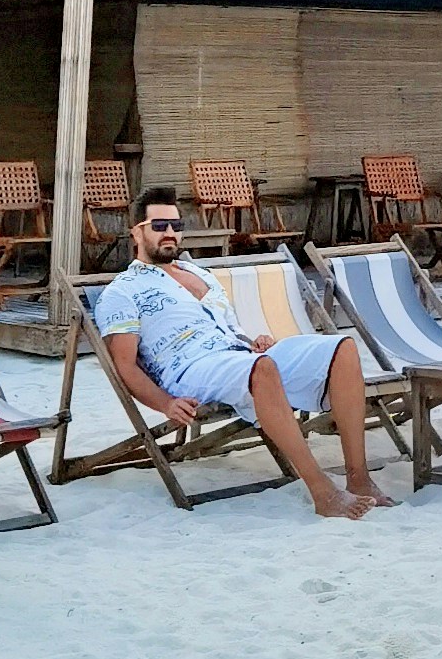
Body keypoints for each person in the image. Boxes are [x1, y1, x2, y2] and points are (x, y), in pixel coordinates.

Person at [93, 187, 393, 517]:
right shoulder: (121, 291)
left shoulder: (198, 273)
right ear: (137, 231)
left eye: (176, 226)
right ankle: (323, 493)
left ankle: (359, 479)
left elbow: (227, 329)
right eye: (159, 226)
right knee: (263, 369)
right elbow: (125, 365)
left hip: (239, 357)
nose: (170, 234)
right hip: (189, 370)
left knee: (342, 349)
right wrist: (165, 403)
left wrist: (252, 341)